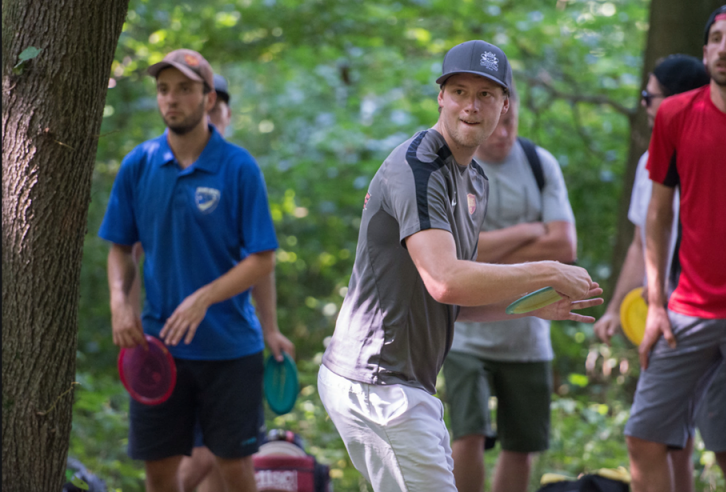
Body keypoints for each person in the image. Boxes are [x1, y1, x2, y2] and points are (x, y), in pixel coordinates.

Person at [317, 40, 603, 492]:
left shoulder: (472, 179)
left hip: (399, 383)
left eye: (486, 95)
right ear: (441, 97)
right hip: (377, 383)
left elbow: (454, 302)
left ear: (505, 104)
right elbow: (445, 281)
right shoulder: (417, 167)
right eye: (460, 92)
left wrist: (528, 305)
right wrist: (547, 271)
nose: (472, 106)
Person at [100, 49, 285, 492]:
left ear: (207, 99)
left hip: (230, 350)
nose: (172, 99)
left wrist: (205, 297)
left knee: (234, 468)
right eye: (164, 90)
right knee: (159, 472)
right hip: (157, 349)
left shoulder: (238, 167)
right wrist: (119, 304)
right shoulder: (139, 164)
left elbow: (262, 258)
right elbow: (120, 248)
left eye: (185, 89)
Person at [623, 7, 726, 491]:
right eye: (716, 40)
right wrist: (656, 301)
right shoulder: (674, 115)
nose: (724, 48)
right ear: (704, 52)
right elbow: (658, 216)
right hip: (687, 309)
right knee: (643, 436)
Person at [594, 55, 726, 489]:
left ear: (677, 102)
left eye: (649, 97)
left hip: (725, 310)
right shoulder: (647, 165)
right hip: (669, 312)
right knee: (663, 433)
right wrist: (617, 306)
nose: (644, 106)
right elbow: (643, 245)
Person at [444, 73, 577, 492]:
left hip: (528, 333)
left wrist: (487, 250)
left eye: (510, 121)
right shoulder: (455, 167)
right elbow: (456, 255)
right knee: (468, 435)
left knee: (523, 443)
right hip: (465, 331)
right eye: (495, 124)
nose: (502, 133)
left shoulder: (540, 164)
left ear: (508, 109)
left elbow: (565, 245)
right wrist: (527, 232)